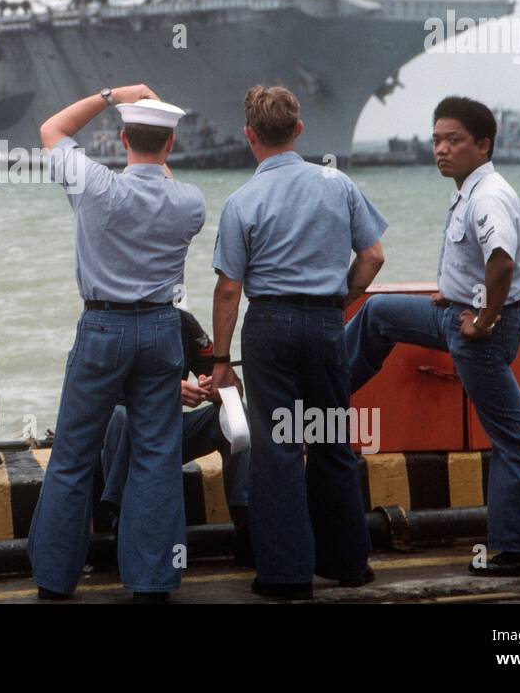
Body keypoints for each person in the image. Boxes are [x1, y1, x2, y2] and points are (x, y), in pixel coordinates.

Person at [345, 96, 520, 577]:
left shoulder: (488, 194)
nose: (441, 149)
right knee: (379, 314)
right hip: (454, 313)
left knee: (514, 440)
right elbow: (481, 261)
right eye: (437, 139)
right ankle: (328, 391)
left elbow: (502, 260)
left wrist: (482, 319)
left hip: (478, 334)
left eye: (454, 140)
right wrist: (456, 292)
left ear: (483, 145)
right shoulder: (468, 189)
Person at [27, 85, 206, 603]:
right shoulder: (189, 201)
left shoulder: (95, 186)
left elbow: (52, 131)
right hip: (159, 330)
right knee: (156, 455)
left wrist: (110, 95)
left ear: (122, 138)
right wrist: (156, 145)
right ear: (171, 146)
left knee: (73, 456)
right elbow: (162, 179)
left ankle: (55, 580)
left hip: (102, 328)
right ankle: (151, 582)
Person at [209, 85, 387, 600]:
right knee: (332, 438)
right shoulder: (338, 183)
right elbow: (373, 255)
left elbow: (228, 288)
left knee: (279, 449)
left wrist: (221, 360)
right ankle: (349, 564)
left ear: (249, 137)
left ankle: (285, 575)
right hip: (326, 324)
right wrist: (342, 300)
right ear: (300, 130)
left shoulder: (242, 201)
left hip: (270, 326)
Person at [98, 310, 252, 567]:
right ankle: (122, 524)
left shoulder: (184, 324)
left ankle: (247, 522)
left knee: (239, 413)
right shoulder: (116, 322)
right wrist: (167, 391)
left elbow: (233, 386)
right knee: (119, 417)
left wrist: (217, 388)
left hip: (171, 430)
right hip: (129, 433)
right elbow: (102, 394)